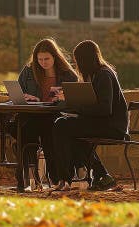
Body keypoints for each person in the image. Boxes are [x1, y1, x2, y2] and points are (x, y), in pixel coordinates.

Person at [51, 40, 128, 192]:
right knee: (67, 129)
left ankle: (65, 178)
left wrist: (76, 108)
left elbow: (105, 109)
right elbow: (92, 105)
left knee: (61, 125)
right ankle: (102, 175)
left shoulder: (104, 75)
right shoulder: (97, 75)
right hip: (101, 123)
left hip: (112, 126)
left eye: (78, 60)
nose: (77, 65)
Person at [12, 38, 78, 185]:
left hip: (55, 116)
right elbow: (17, 94)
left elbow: (73, 101)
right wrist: (27, 98)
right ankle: (28, 178)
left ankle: (54, 178)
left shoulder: (68, 75)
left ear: (55, 56)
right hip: (32, 115)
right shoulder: (29, 71)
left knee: (49, 132)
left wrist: (60, 100)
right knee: (21, 130)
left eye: (47, 58)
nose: (43, 62)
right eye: (40, 59)